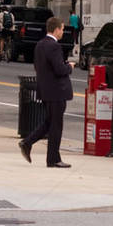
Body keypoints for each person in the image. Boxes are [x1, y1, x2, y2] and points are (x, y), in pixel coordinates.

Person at [19, 17, 74, 168]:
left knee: (49, 122)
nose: (63, 32)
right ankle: (53, 159)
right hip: (57, 91)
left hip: (45, 90)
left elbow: (38, 67)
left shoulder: (40, 45)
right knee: (56, 125)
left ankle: (27, 142)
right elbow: (59, 69)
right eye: (62, 29)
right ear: (56, 30)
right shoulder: (54, 46)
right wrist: (69, 67)